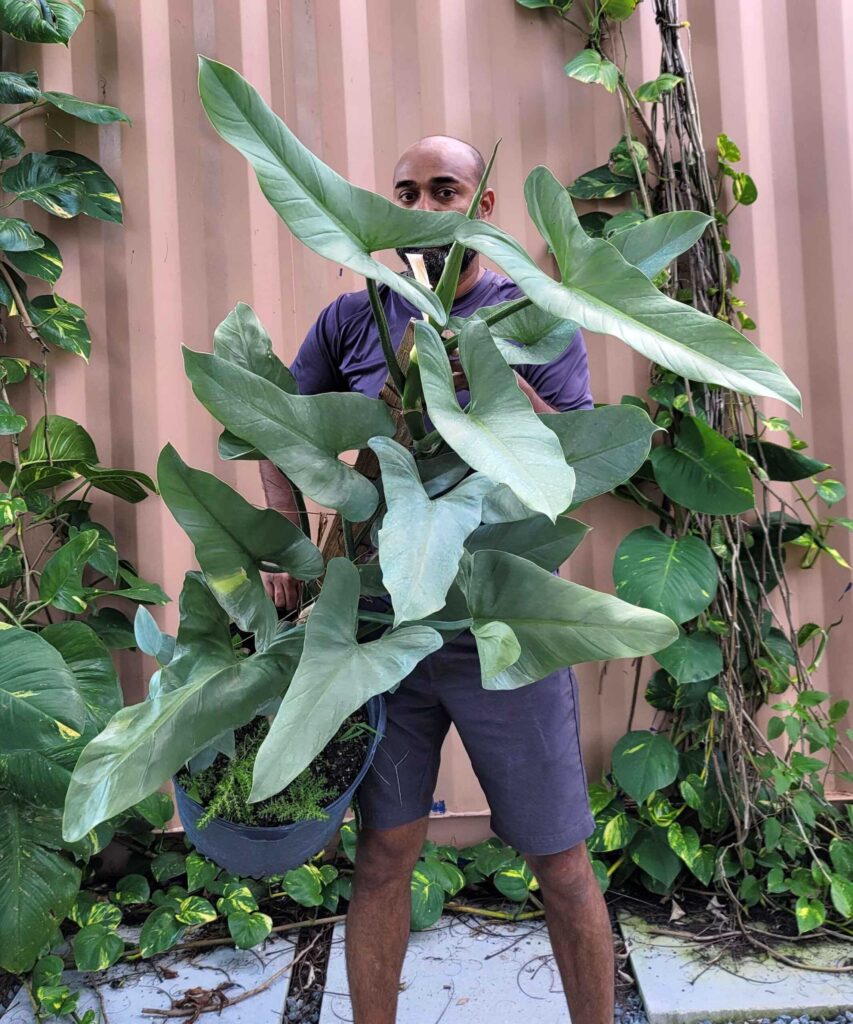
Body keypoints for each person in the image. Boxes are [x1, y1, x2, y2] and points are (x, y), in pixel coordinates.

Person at [259, 135, 614, 1024]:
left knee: (560, 861)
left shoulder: (532, 314)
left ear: (482, 206)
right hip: (383, 626)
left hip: (501, 620)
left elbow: (573, 460)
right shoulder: (356, 319)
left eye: (443, 189)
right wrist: (284, 549)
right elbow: (277, 429)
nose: (420, 208)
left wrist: (491, 388)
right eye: (405, 192)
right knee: (384, 854)